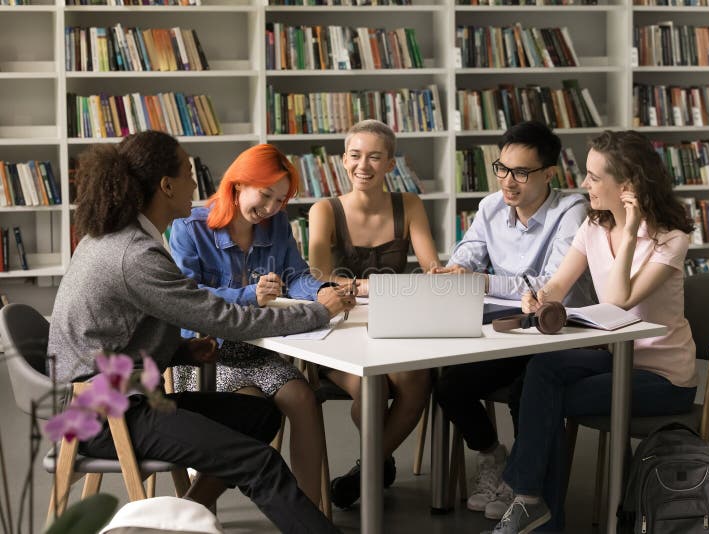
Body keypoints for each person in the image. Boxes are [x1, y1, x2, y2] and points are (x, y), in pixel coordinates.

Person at [48, 131, 355, 533]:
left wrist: (182, 352)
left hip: (109, 396)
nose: (196, 183)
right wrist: (317, 313)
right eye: (188, 172)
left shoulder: (121, 236)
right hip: (103, 415)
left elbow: (118, 331)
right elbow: (228, 320)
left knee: (259, 417)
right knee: (258, 462)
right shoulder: (135, 254)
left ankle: (181, 516)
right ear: (166, 185)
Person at [486, 130, 698, 534]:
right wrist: (539, 297)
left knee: (547, 397)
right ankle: (532, 503)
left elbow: (618, 298)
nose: (584, 185)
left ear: (628, 186)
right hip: (613, 357)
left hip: (662, 376)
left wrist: (633, 226)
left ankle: (533, 507)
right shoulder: (593, 227)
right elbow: (558, 286)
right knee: (542, 370)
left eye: (594, 177)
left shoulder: (670, 239)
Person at [432, 121, 595, 520]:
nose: (508, 181)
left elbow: (553, 286)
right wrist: (451, 273)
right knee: (450, 384)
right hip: (506, 333)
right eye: (502, 169)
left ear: (548, 174)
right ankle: (493, 457)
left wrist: (482, 280)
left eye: (521, 172)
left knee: (527, 390)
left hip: (561, 335)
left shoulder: (572, 211)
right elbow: (464, 260)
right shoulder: (490, 207)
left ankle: (523, 485)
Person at [168, 144, 328, 505]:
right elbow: (185, 297)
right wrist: (247, 296)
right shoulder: (189, 228)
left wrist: (324, 291)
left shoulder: (277, 224)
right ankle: (197, 508)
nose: (271, 208)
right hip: (205, 353)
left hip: (256, 346)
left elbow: (297, 276)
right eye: (266, 195)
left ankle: (313, 514)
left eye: (281, 200)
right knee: (253, 414)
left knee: (303, 400)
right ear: (239, 184)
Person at [306, 119, 441, 508]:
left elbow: (431, 268)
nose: (363, 165)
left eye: (374, 157)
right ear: (343, 160)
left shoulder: (410, 205)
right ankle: (377, 465)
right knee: (372, 387)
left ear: (390, 164)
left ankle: (368, 467)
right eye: (355, 155)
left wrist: (441, 275)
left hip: (392, 326)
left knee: (417, 379)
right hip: (338, 331)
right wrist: (372, 287)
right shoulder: (324, 210)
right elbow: (319, 278)